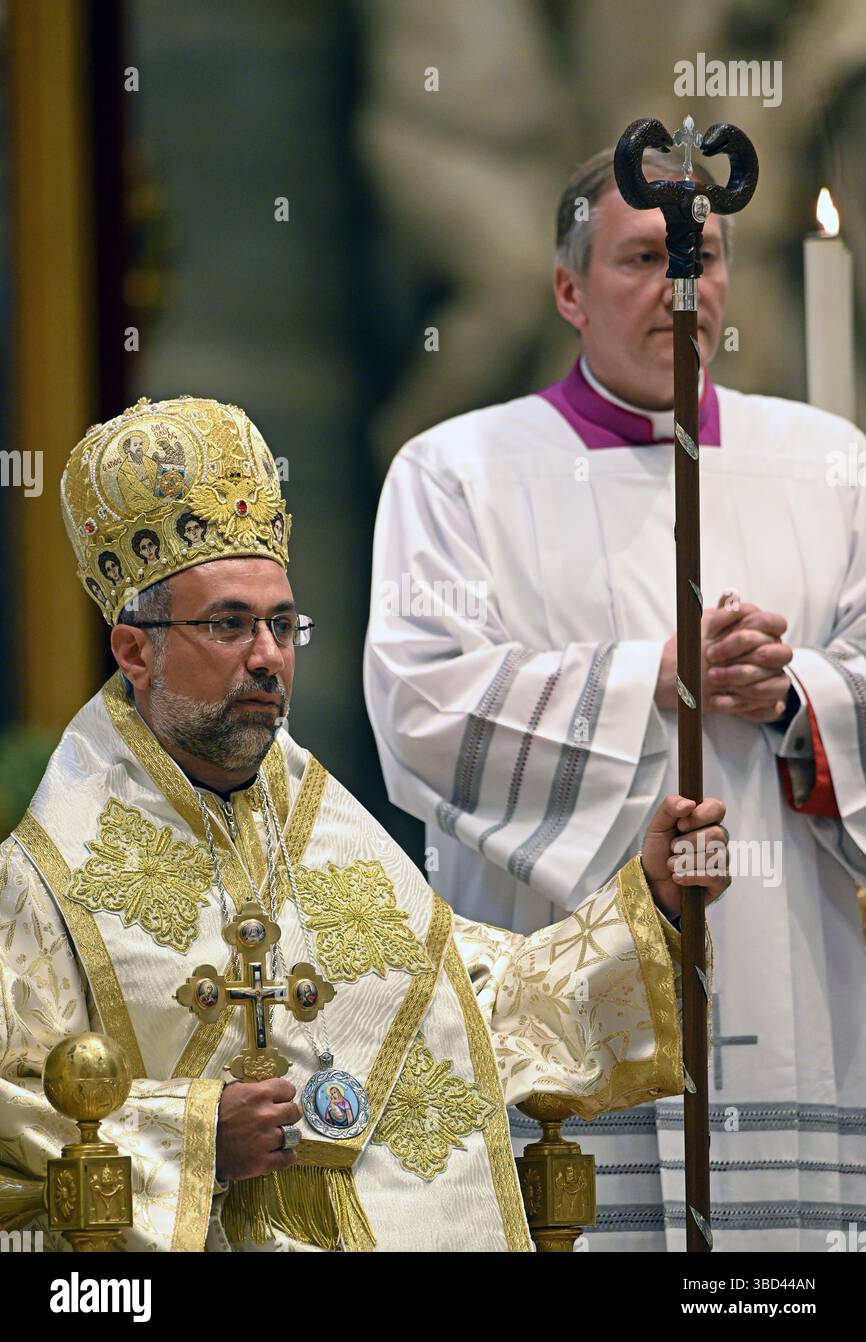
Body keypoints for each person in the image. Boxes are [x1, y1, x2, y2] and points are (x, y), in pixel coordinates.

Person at [0, 395, 728, 1253]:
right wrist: (196, 1136)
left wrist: (654, 901)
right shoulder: (44, 878)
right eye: (229, 624)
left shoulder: (327, 833)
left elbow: (489, 1010)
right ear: (134, 650)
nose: (267, 654)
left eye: (281, 624)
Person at [364, 147, 866, 1252]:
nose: (679, 288)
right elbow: (419, 704)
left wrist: (793, 697)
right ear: (567, 290)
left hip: (791, 980)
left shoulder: (829, 464)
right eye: (642, 257)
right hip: (558, 973)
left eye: (702, 257)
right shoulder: (454, 472)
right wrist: (656, 677)